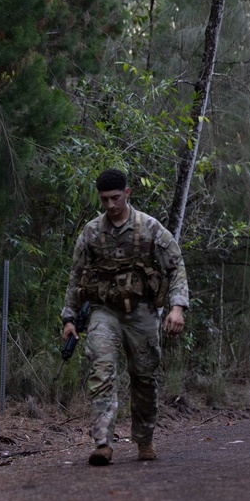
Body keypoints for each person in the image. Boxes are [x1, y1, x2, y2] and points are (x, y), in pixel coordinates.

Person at [61, 168, 190, 466]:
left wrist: (177, 307)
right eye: (104, 199)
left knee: (144, 378)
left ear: (127, 193)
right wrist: (69, 318)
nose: (109, 205)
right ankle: (103, 443)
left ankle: (144, 439)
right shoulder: (92, 232)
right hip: (104, 312)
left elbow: (175, 266)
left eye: (115, 198)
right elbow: (76, 276)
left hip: (142, 312)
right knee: (101, 371)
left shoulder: (150, 228)